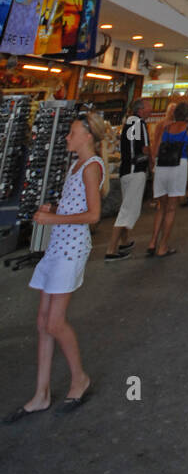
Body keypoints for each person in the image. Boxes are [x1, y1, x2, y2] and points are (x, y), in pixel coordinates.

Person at [6, 110, 107, 419]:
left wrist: (52, 218)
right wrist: (55, 209)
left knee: (53, 322)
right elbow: (77, 206)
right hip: (58, 247)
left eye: (72, 132)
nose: (66, 136)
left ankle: (79, 378)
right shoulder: (76, 164)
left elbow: (93, 215)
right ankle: (41, 393)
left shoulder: (91, 167)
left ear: (87, 136)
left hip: (70, 250)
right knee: (43, 321)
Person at [105, 98, 150, 260]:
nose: (150, 109)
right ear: (141, 110)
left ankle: (124, 241)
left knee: (127, 205)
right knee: (128, 210)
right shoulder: (139, 123)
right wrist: (152, 158)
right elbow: (144, 148)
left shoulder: (130, 122)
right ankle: (111, 249)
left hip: (126, 170)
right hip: (135, 169)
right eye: (148, 107)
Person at [148, 101, 188, 257]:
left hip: (162, 167)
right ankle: (163, 246)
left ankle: (152, 242)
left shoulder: (165, 128)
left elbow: (156, 149)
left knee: (161, 206)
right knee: (171, 209)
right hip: (177, 166)